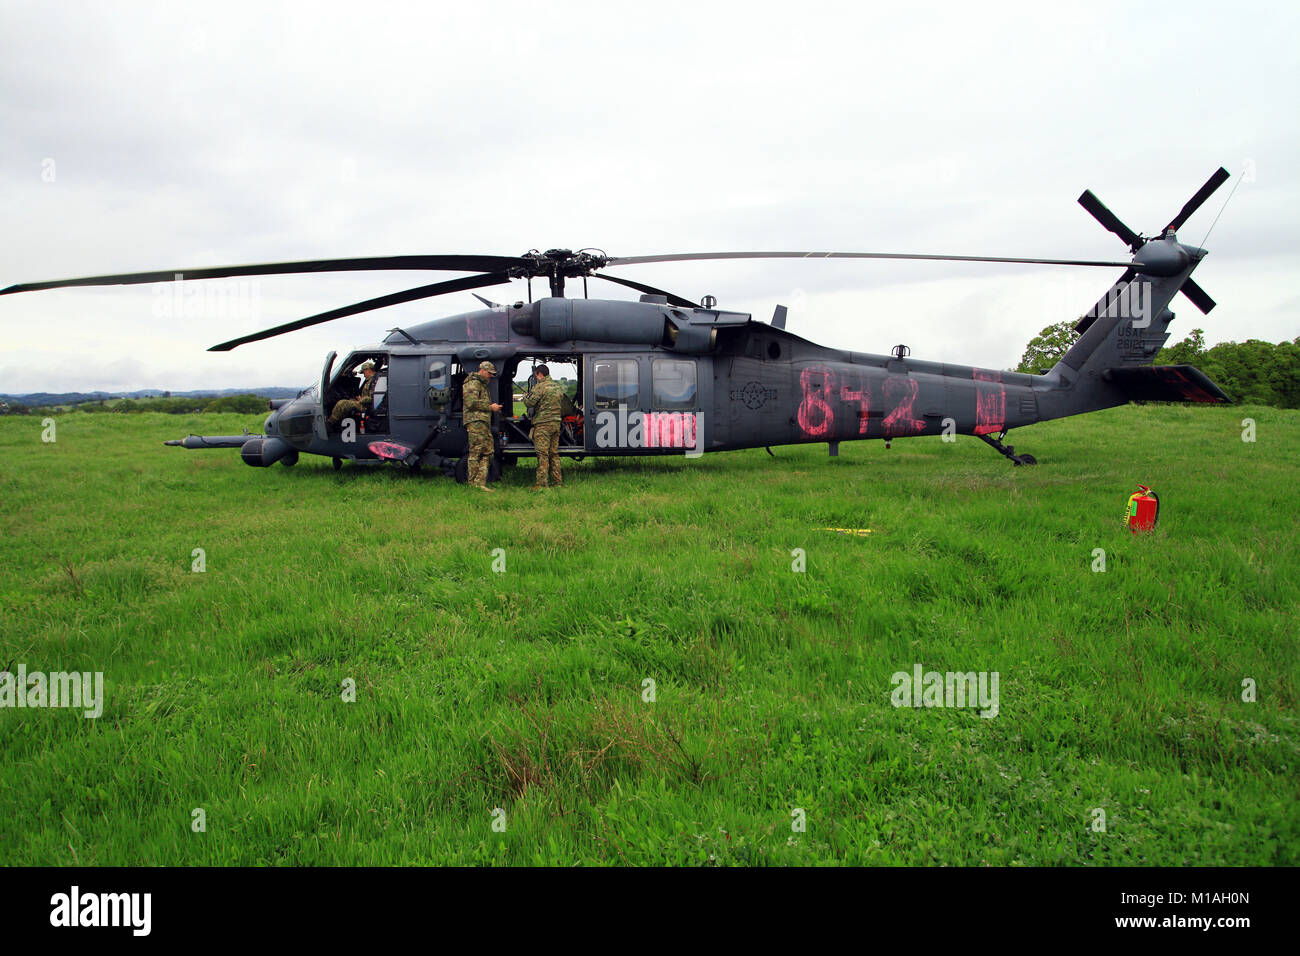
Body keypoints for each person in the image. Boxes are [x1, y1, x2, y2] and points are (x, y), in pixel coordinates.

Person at [462, 360, 502, 491]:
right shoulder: (473, 383)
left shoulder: (481, 384)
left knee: (488, 452)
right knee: (476, 452)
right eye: (489, 373)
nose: (491, 376)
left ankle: (480, 482)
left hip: (482, 423)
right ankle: (473, 482)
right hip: (476, 422)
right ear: (483, 370)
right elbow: (471, 403)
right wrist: (490, 407)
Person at [525, 364, 565, 488]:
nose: (536, 378)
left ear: (540, 374)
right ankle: (557, 482)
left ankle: (542, 484)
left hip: (543, 425)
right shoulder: (557, 387)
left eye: (536, 376)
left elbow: (529, 403)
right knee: (554, 453)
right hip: (556, 424)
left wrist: (526, 396)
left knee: (543, 454)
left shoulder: (540, 387)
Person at [328, 361, 377, 428]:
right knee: (350, 401)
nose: (364, 374)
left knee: (341, 404)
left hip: (366, 406)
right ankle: (339, 425)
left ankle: (329, 424)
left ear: (368, 370)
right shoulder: (372, 380)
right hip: (365, 404)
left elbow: (372, 398)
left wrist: (361, 399)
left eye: (364, 372)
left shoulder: (374, 381)